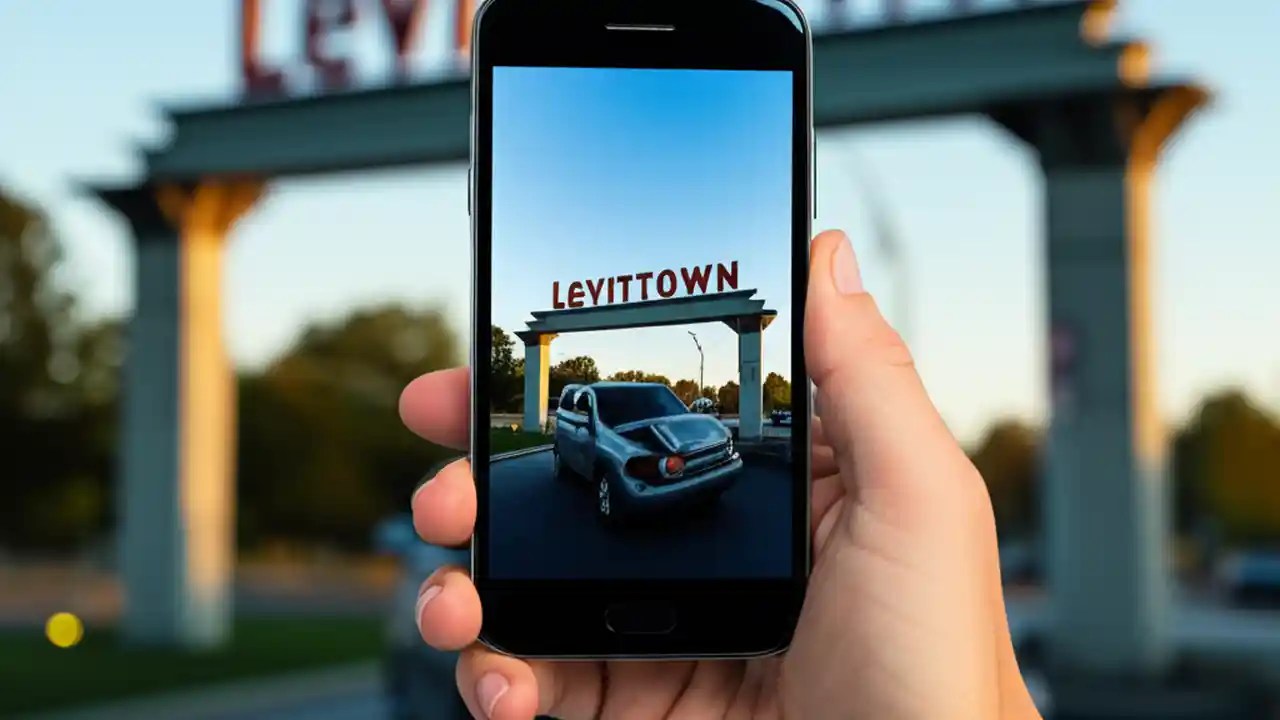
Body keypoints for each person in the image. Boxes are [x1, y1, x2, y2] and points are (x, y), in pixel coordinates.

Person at [399, 231, 1042, 719]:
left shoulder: (694, 423)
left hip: (692, 469)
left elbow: (707, 439)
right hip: (635, 464)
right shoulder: (588, 414)